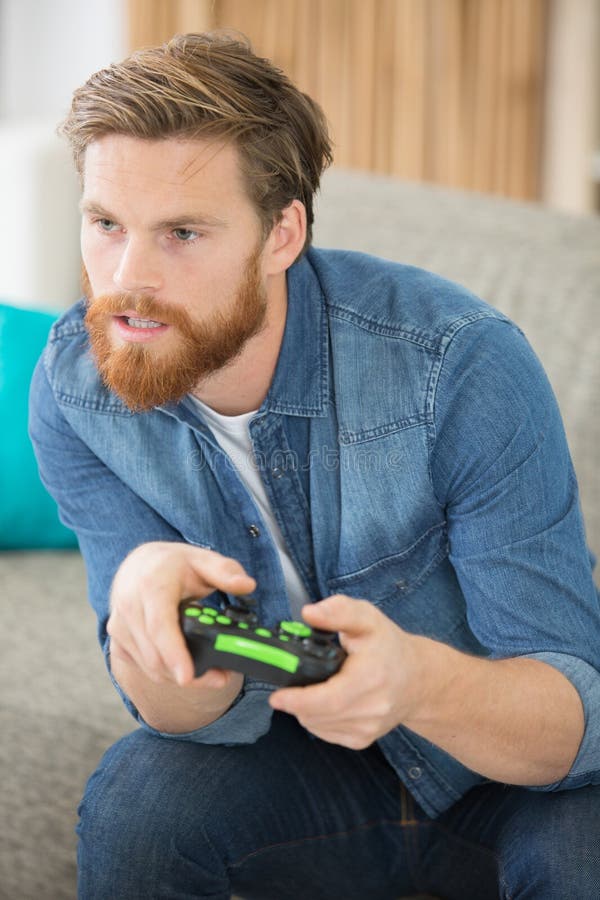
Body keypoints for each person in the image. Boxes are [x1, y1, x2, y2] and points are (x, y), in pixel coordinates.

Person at [29, 32, 600, 900]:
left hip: (508, 783)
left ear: (281, 232)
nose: (127, 280)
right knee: (140, 803)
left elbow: (576, 725)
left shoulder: (458, 365)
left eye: (182, 232)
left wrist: (416, 682)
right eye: (107, 225)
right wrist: (149, 621)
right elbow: (180, 717)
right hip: (303, 776)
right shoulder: (80, 385)